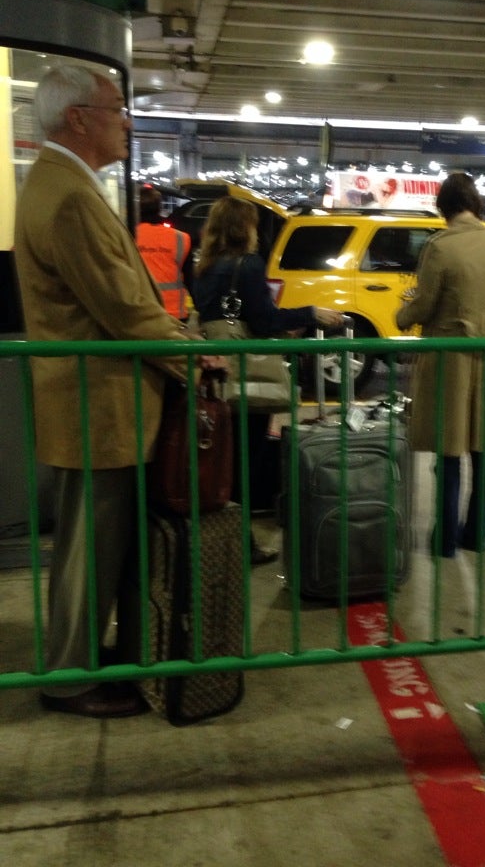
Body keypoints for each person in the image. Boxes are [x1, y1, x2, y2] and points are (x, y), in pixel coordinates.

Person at [13, 64, 224, 719]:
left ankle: (88, 658)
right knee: (89, 553)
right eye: (117, 108)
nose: (127, 120)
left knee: (97, 548)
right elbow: (125, 311)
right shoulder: (74, 198)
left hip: (95, 404)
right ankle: (70, 679)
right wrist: (198, 359)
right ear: (79, 118)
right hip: (99, 406)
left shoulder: (61, 183)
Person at [192, 196, 344, 559]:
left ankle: (217, 542)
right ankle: (239, 546)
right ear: (244, 228)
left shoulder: (205, 267)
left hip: (214, 372)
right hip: (245, 375)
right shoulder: (248, 264)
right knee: (244, 463)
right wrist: (310, 314)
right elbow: (263, 321)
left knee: (221, 460)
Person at [395, 172, 485, 558]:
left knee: (450, 448)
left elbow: (425, 305)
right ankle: (476, 535)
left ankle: (446, 541)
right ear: (475, 203)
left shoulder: (440, 246)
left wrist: (403, 312)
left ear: (443, 207)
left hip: (453, 359)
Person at [135, 185, 192, 321]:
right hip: (174, 312)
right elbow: (190, 278)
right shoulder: (181, 238)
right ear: (160, 207)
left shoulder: (127, 235)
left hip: (139, 311)